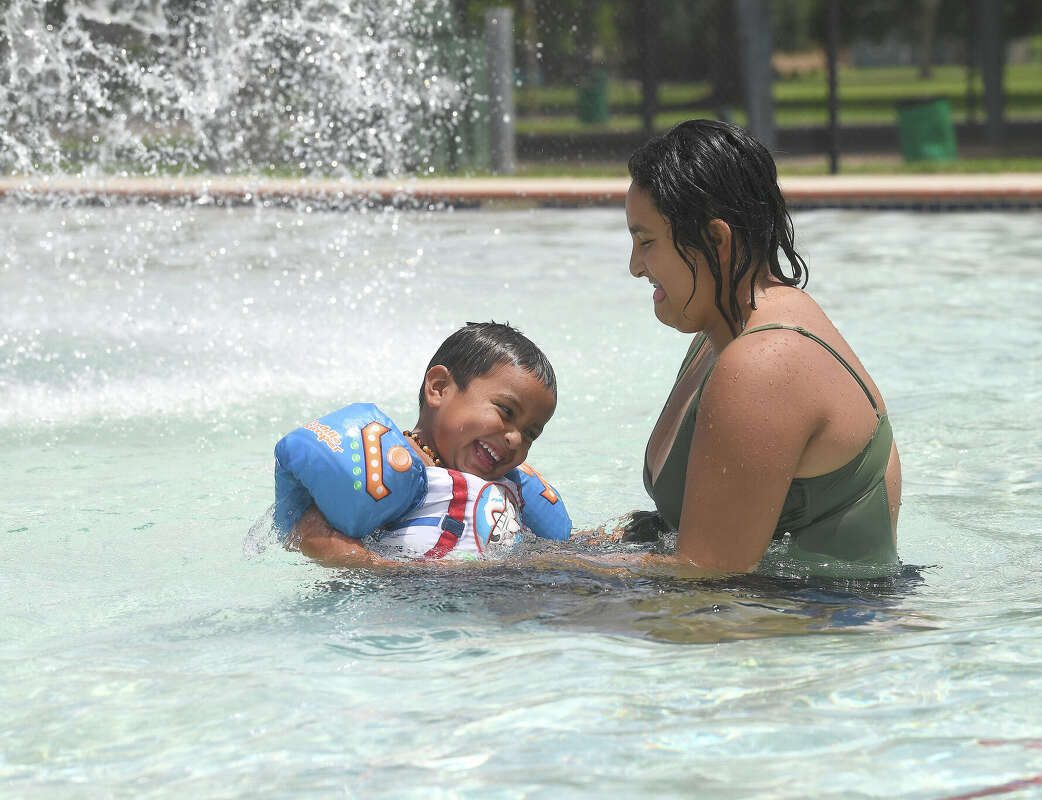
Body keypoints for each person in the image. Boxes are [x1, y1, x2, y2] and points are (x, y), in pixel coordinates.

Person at [621, 119, 901, 575]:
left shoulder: (765, 362)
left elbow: (704, 576)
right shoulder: (719, 335)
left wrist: (525, 570)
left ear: (716, 239)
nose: (635, 266)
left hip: (811, 615)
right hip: (765, 611)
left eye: (646, 241)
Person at [273, 322, 571, 568]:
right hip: (416, 595)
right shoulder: (387, 468)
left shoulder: (511, 487)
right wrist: (391, 570)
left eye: (530, 434)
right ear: (439, 388)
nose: (515, 439)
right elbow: (310, 537)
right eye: (506, 411)